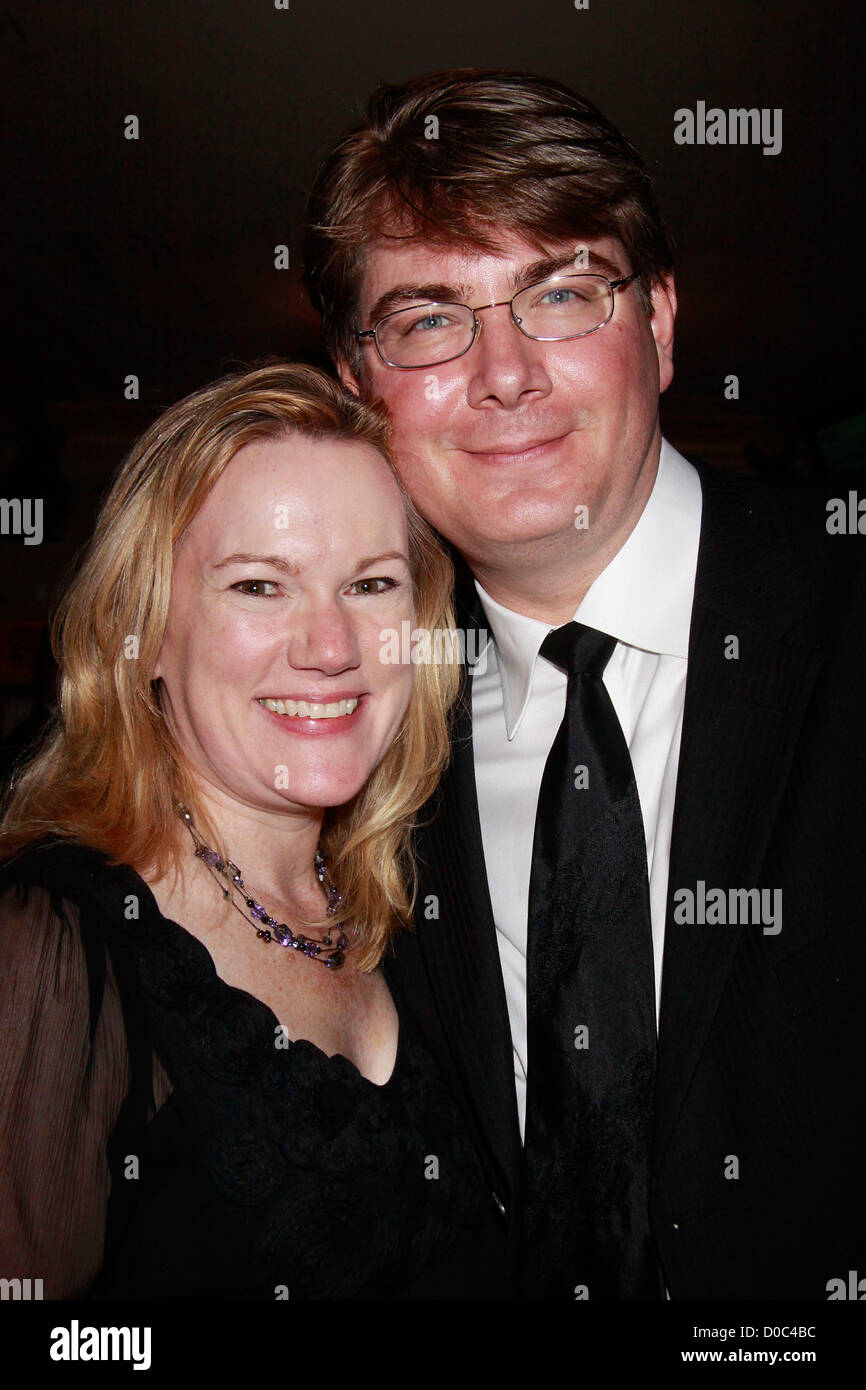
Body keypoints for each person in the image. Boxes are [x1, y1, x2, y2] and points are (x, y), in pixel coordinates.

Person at [303, 69, 866, 1299]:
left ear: (658, 326)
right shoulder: (352, 737)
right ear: (359, 387)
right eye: (428, 320)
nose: (502, 372)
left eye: (560, 293)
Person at [0, 362, 504, 1300]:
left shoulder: (416, 907)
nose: (331, 647)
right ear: (145, 631)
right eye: (260, 587)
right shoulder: (55, 946)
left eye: (372, 584)